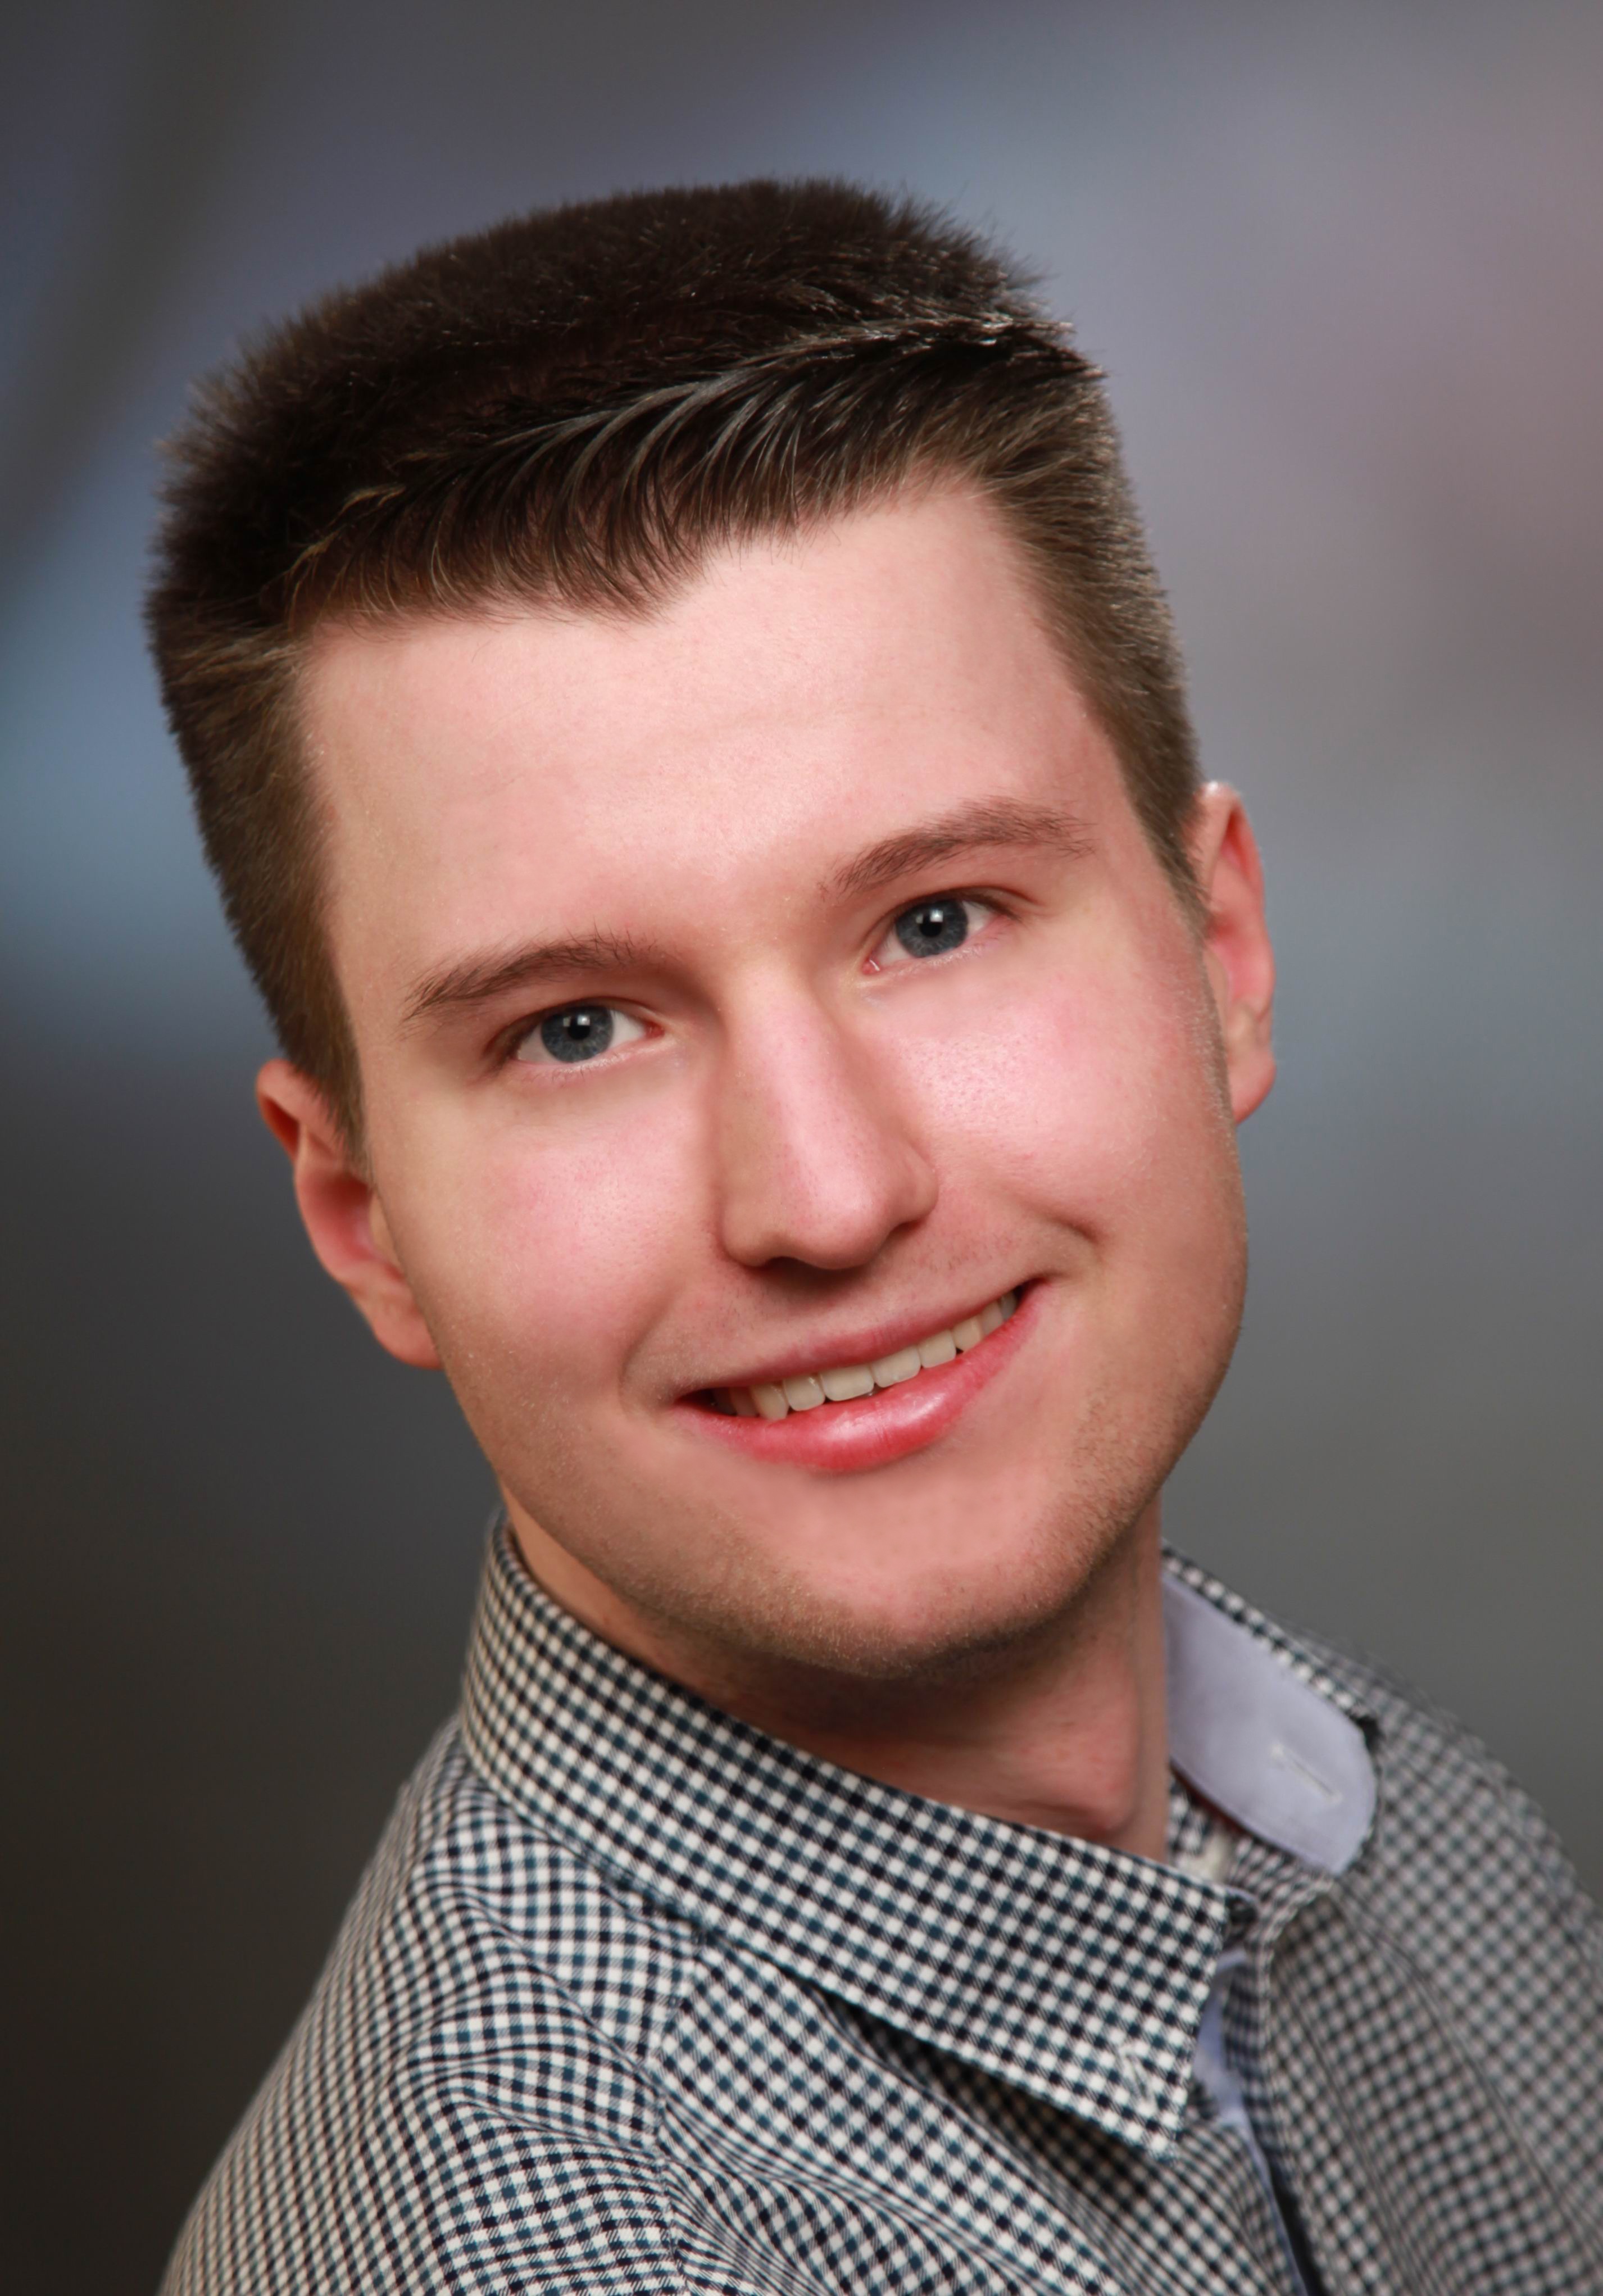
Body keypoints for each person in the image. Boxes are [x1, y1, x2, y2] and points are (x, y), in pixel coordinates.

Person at [148, 181, 1601, 2295]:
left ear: (1217, 955)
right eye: (577, 1030)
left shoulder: (1409, 1829)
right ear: (363, 1220)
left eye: (934, 921)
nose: (826, 1200)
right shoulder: (544, 2250)